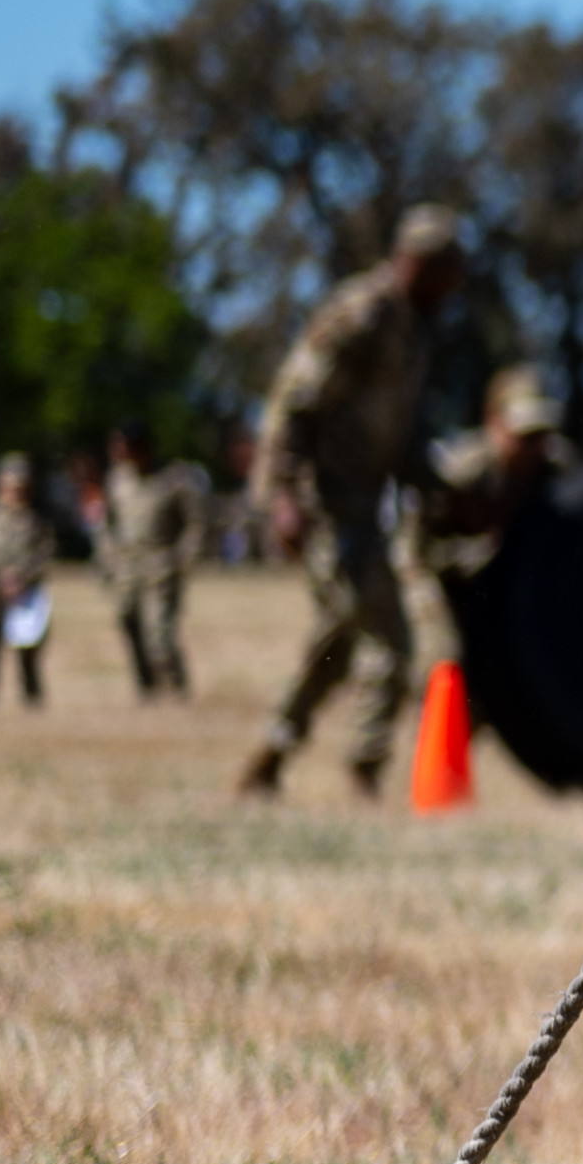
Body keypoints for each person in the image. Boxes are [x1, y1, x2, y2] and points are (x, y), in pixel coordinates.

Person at [240, 208, 464, 797]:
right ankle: (363, 770)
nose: (455, 288)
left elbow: (402, 429)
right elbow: (293, 402)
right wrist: (282, 497)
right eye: (448, 273)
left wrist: (439, 488)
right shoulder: (360, 313)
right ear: (418, 264)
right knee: (389, 635)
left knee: (339, 632)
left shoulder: (414, 327)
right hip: (325, 503)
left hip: (364, 505)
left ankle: (271, 752)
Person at [414, 368, 565, 590]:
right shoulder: (457, 475)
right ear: (493, 422)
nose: (535, 448)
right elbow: (419, 555)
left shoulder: (557, 469)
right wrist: (484, 552)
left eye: (541, 434)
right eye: (525, 435)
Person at [101, 430, 210, 701]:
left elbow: (197, 523)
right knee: (128, 621)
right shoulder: (117, 481)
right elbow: (108, 524)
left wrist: (182, 558)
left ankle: (176, 690)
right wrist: (109, 556)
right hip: (127, 567)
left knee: (159, 633)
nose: (119, 453)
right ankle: (146, 687)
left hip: (161, 566)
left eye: (123, 446)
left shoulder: (173, 479)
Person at [0, 456, 51, 710]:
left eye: (21, 487)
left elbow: (44, 554)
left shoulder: (36, 520)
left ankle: (32, 697)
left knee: (28, 648)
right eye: (11, 486)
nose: (16, 492)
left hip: (26, 592)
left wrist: (22, 578)